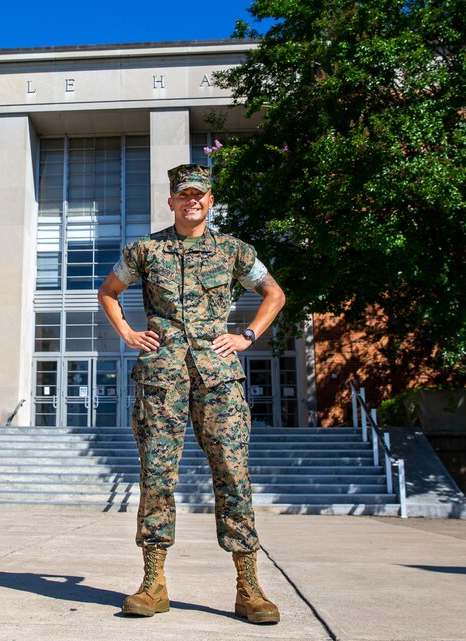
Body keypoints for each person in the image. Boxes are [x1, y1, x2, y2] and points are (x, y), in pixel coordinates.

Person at [96, 164, 286, 624]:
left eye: (199, 195)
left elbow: (274, 294)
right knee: (157, 476)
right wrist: (127, 333)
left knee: (233, 475)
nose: (192, 202)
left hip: (218, 377)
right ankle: (153, 582)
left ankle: (249, 586)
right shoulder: (146, 249)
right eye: (184, 196)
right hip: (161, 377)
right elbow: (109, 291)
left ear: (211, 201)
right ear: (171, 201)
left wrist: (247, 335)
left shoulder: (234, 250)